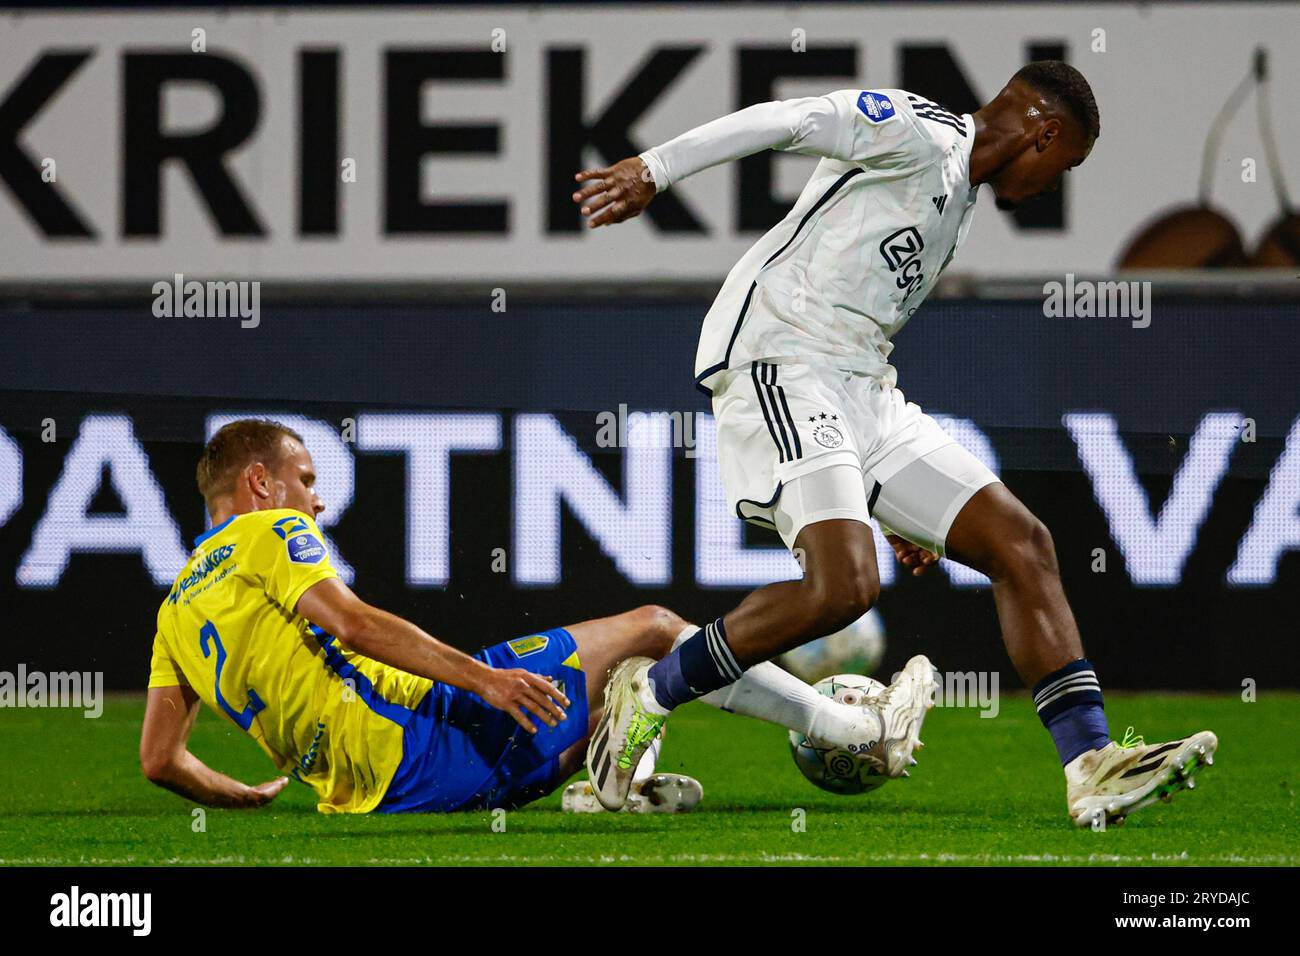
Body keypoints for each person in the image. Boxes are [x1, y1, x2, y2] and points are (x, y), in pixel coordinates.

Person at [573, 62, 1216, 827]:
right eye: (1065, 165)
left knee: (1021, 544)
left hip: (863, 390)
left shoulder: (959, 197)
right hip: (783, 360)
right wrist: (654, 168)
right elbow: (788, 119)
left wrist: (891, 502)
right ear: (1044, 135)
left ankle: (1091, 764)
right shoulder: (915, 131)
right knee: (844, 590)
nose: (1053, 184)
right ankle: (649, 693)